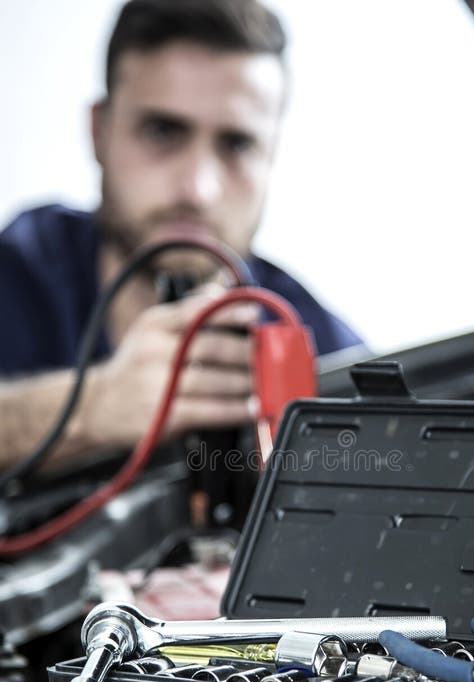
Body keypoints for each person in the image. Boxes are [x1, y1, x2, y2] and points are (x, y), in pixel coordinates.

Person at [0, 0, 362, 474]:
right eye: (162, 131)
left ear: (271, 157)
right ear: (99, 132)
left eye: (237, 144)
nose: (198, 189)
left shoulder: (321, 345)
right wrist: (94, 407)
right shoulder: (22, 270)